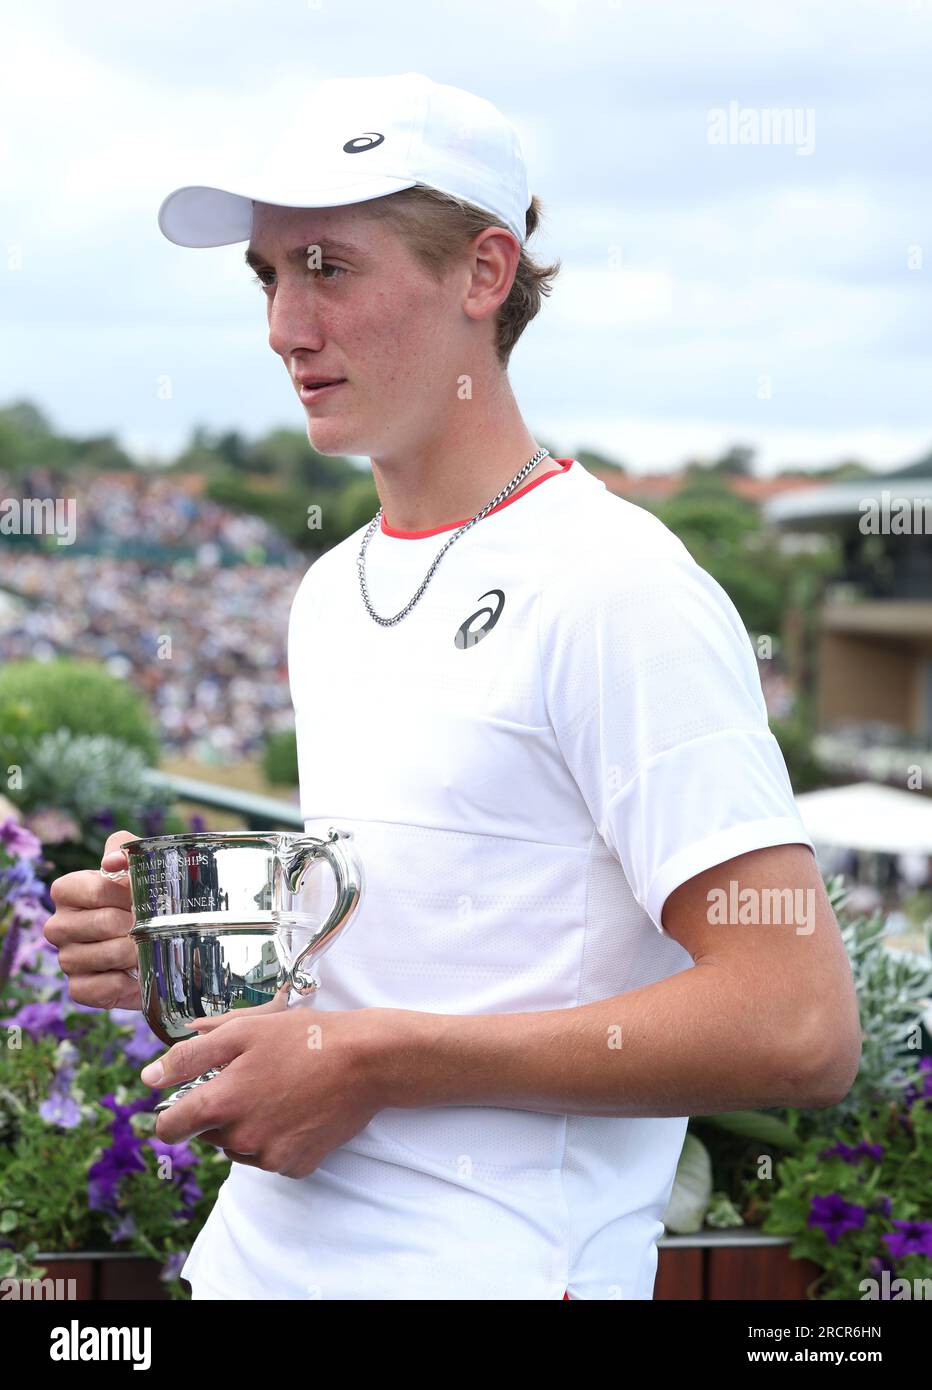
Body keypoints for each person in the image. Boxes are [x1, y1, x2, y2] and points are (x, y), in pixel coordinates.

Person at [44, 72, 861, 1300]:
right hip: (253, 1267)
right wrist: (179, 951)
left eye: (326, 266)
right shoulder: (332, 586)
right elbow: (438, 942)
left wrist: (369, 1061)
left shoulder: (616, 582)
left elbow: (796, 1025)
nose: (282, 326)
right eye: (268, 276)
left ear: (484, 274)